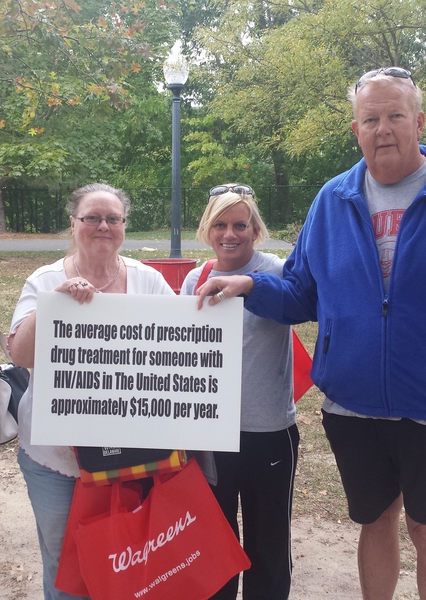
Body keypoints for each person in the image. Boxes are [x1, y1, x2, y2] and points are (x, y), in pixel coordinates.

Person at [196, 68, 426, 599]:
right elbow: (301, 295)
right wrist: (251, 284)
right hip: (352, 404)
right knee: (375, 523)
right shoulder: (333, 199)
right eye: (371, 119)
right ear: (356, 129)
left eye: (395, 116)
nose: (383, 129)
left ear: (419, 121)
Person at [8, 183, 175, 600]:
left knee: (127, 558)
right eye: (92, 218)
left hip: (135, 455)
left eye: (112, 218)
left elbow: (179, 351)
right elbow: (20, 354)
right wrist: (55, 304)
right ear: (73, 223)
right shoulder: (44, 279)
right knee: (66, 563)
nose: (103, 226)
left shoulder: (148, 280)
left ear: (123, 225)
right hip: (56, 457)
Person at [180, 184, 299, 600]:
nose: (230, 234)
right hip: (212, 435)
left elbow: (303, 306)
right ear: (207, 230)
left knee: (268, 540)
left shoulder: (278, 271)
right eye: (220, 225)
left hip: (267, 430)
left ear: (255, 230)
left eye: (240, 225)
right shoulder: (196, 277)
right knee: (216, 540)